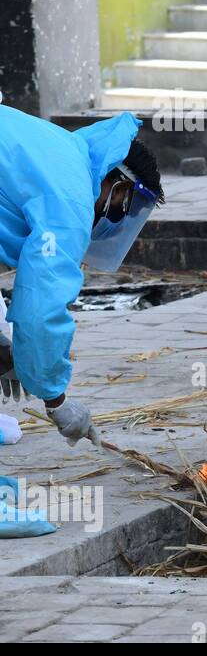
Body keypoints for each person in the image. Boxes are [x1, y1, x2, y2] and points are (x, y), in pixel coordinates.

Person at [0, 107, 164, 445]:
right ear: (118, 189)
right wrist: (55, 399)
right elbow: (40, 310)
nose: (117, 220)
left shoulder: (58, 150)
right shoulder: (71, 197)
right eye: (124, 208)